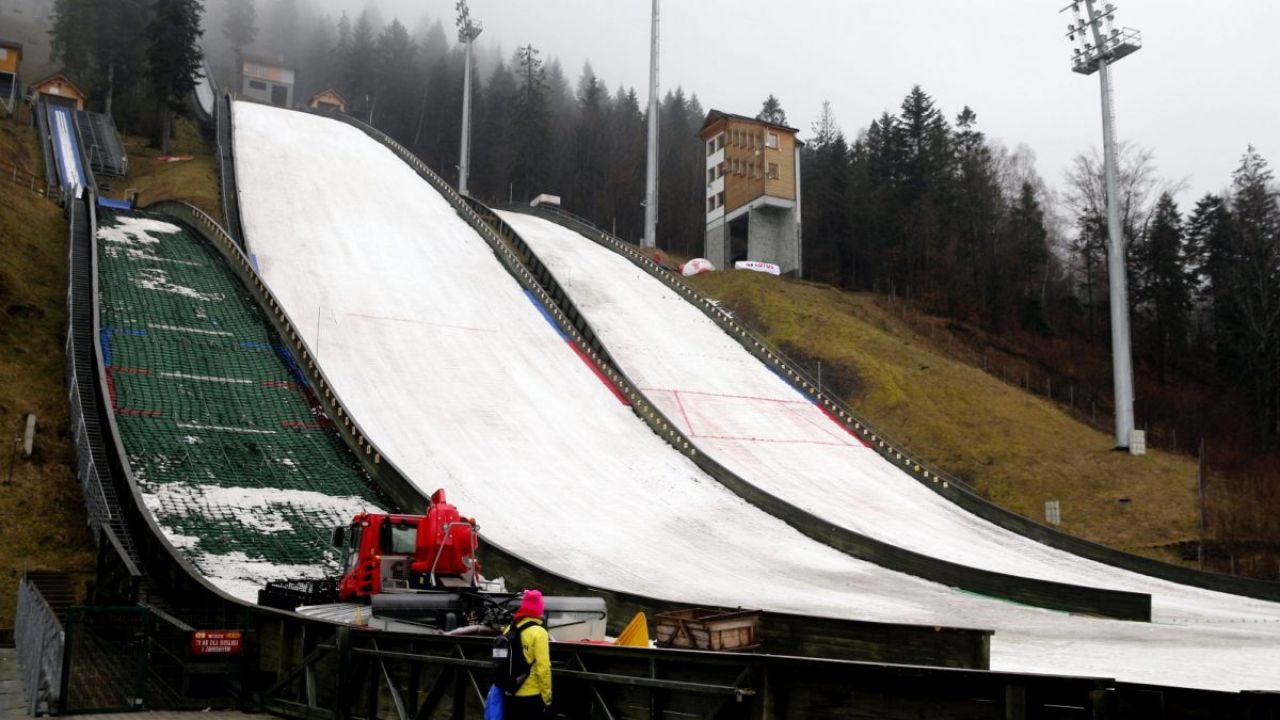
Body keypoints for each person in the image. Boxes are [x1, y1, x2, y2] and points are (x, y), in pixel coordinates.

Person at [505, 589, 552, 719]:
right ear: (538, 609)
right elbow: (543, 668)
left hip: (509, 693)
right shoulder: (539, 632)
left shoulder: (509, 629)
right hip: (531, 695)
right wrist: (547, 697)